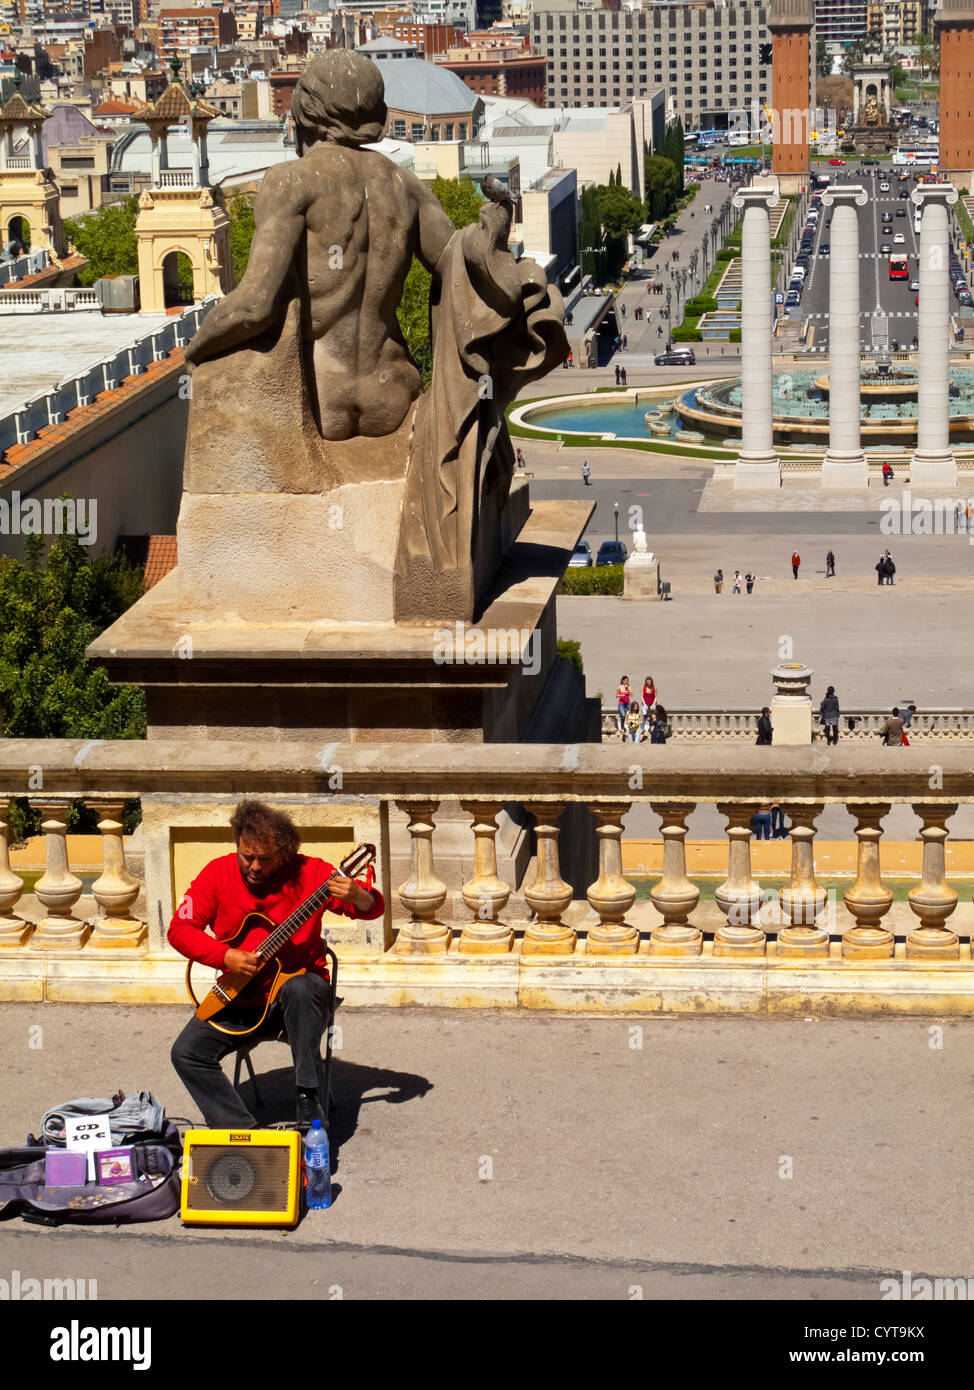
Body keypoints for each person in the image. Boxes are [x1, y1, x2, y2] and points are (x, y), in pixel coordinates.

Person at [169, 800, 383, 1130]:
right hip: (240, 1000)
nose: (254, 866)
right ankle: (242, 1131)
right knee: (186, 1052)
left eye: (264, 859)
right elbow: (179, 930)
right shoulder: (218, 873)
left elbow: (372, 909)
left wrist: (359, 895)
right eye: (247, 856)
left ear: (284, 854)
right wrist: (226, 957)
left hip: (299, 1006)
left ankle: (308, 1099)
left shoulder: (313, 873)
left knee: (300, 986)